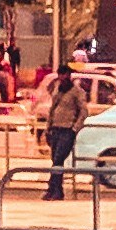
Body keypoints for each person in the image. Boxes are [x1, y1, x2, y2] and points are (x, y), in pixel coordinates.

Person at [41, 63, 88, 201]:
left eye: (65, 74)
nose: (62, 77)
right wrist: (48, 128)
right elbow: (52, 110)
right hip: (55, 129)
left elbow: (83, 111)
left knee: (58, 159)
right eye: (60, 75)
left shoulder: (76, 92)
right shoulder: (58, 89)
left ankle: (52, 189)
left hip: (67, 130)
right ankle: (57, 191)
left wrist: (75, 128)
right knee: (55, 160)